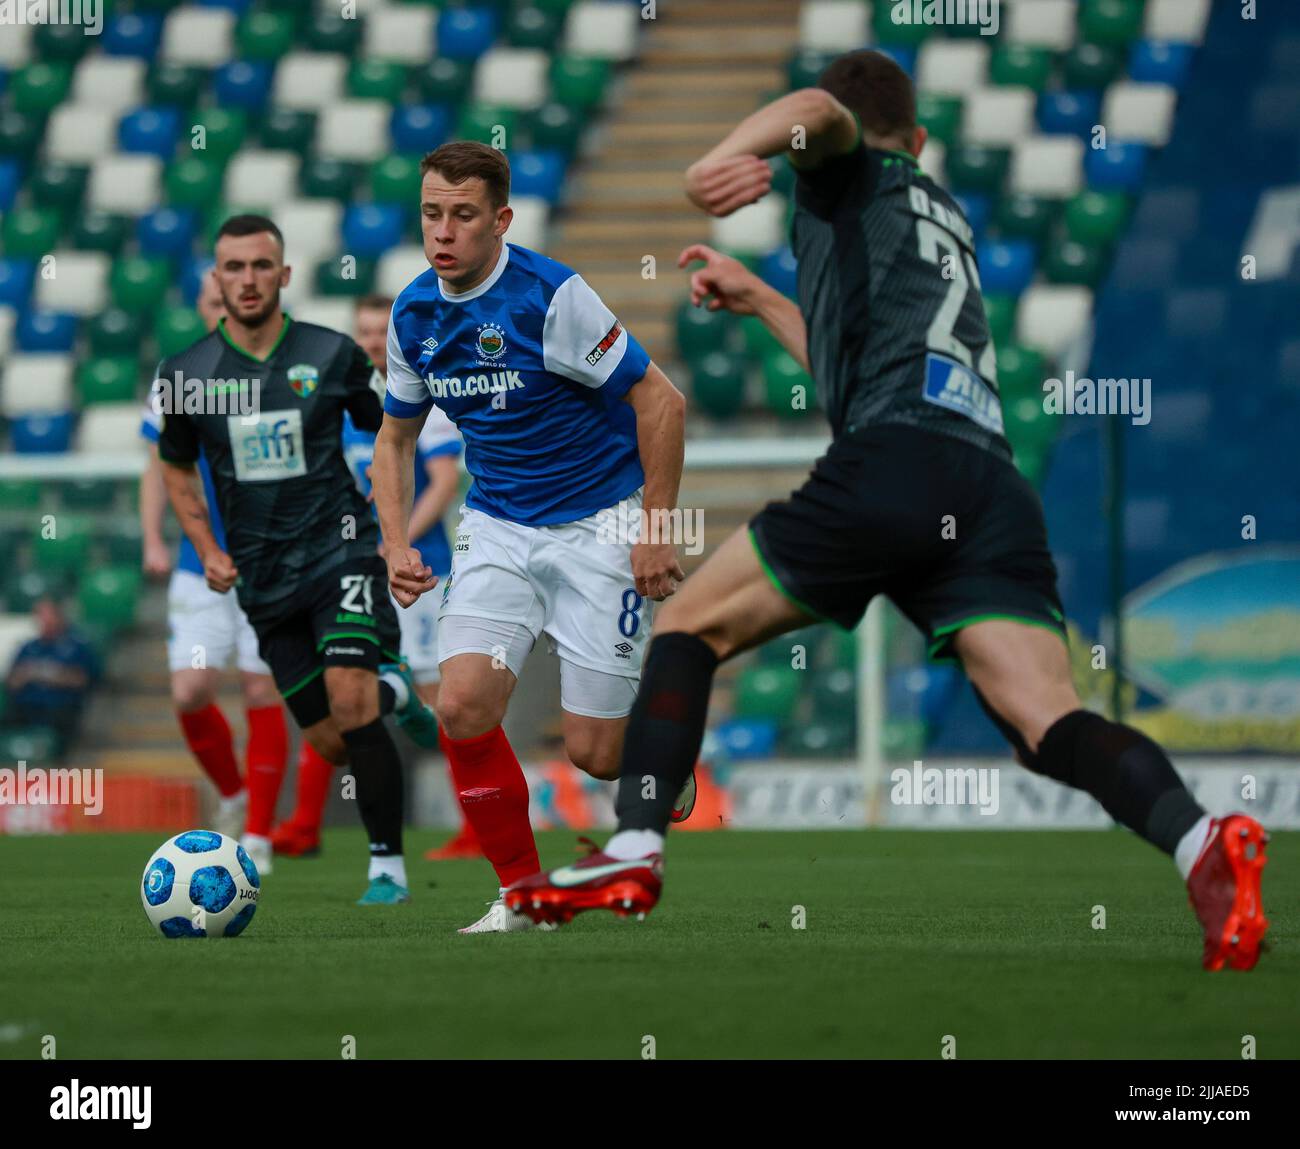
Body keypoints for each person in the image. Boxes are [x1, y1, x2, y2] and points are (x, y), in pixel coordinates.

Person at [505, 50, 1270, 973]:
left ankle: (634, 848)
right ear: (919, 137)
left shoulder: (849, 165)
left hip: (896, 460)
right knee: (1046, 721)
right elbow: (855, 371)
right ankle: (1203, 842)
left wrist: (726, 155)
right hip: (985, 482)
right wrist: (760, 298)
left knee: (691, 627)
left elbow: (818, 113)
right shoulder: (940, 217)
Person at [372, 142, 695, 934]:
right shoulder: (413, 315)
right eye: (430, 213)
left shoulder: (550, 297)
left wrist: (655, 530)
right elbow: (395, 439)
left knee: (594, 751)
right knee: (463, 705)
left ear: (501, 220)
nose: (442, 231)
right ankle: (522, 894)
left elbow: (661, 403)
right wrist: (394, 543)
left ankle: (666, 756)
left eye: (463, 215)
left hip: (600, 525)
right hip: (498, 526)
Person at [156, 214, 442, 905]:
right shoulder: (186, 376)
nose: (248, 279)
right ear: (216, 279)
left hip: (338, 551)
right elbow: (175, 467)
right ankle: (398, 693)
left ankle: (386, 867)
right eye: (234, 267)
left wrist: (393, 534)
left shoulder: (332, 353)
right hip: (261, 577)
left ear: (284, 275)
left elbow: (392, 437)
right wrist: (205, 548)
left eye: (261, 266)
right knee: (335, 736)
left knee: (349, 697)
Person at [271, 294, 475, 859]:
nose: (368, 342)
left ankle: (476, 821)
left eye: (378, 332)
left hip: (417, 572)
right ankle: (306, 825)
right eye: (361, 332)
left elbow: (441, 482)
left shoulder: (424, 401)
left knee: (443, 700)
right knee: (343, 683)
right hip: (349, 572)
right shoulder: (339, 404)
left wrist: (396, 541)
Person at [140, 272, 289, 870]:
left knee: (261, 686)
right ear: (205, 308)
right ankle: (233, 793)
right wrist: (153, 536)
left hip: (270, 562)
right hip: (197, 561)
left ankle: (257, 834)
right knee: (191, 689)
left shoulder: (277, 370)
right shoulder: (177, 377)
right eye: (210, 299)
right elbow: (157, 464)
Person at [2, 597, 100, 759]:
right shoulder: (28, 647)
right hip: (26, 707)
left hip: (59, 708)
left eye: (48, 616)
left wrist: (42, 674)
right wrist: (33, 674)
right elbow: (13, 681)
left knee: (61, 722)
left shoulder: (77, 646)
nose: (43, 621)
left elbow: (81, 679)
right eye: (40, 616)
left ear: (59, 617)